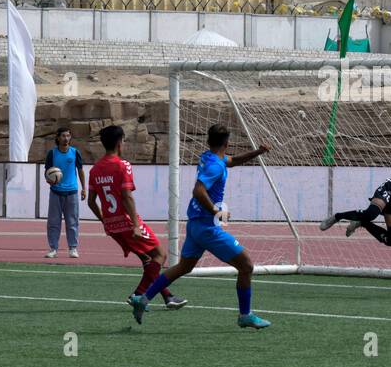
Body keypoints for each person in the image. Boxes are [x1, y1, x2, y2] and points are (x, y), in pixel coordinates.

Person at [134, 124, 272, 329]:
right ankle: (245, 315)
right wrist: (216, 212)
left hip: (195, 225)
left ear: (209, 142)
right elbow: (198, 191)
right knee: (246, 266)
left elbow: (232, 161)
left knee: (184, 267)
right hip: (208, 228)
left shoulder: (210, 157)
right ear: (227, 143)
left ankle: (143, 299)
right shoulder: (215, 165)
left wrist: (258, 152)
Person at [86, 125, 185, 323]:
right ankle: (138, 295)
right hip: (128, 222)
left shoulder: (95, 169)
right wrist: (136, 226)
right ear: (119, 142)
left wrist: (104, 220)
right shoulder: (123, 165)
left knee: (148, 261)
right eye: (124, 140)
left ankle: (168, 297)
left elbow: (90, 202)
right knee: (160, 255)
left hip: (112, 226)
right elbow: (126, 196)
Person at [44, 128, 85, 259]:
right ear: (58, 138)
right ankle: (53, 248)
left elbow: (80, 170)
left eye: (68, 136)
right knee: (53, 222)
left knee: (72, 221)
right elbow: (47, 172)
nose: (66, 138)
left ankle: (73, 248)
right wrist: (49, 180)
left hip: (71, 192)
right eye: (63, 136)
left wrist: (84, 188)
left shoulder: (75, 152)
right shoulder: (52, 153)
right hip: (56, 192)